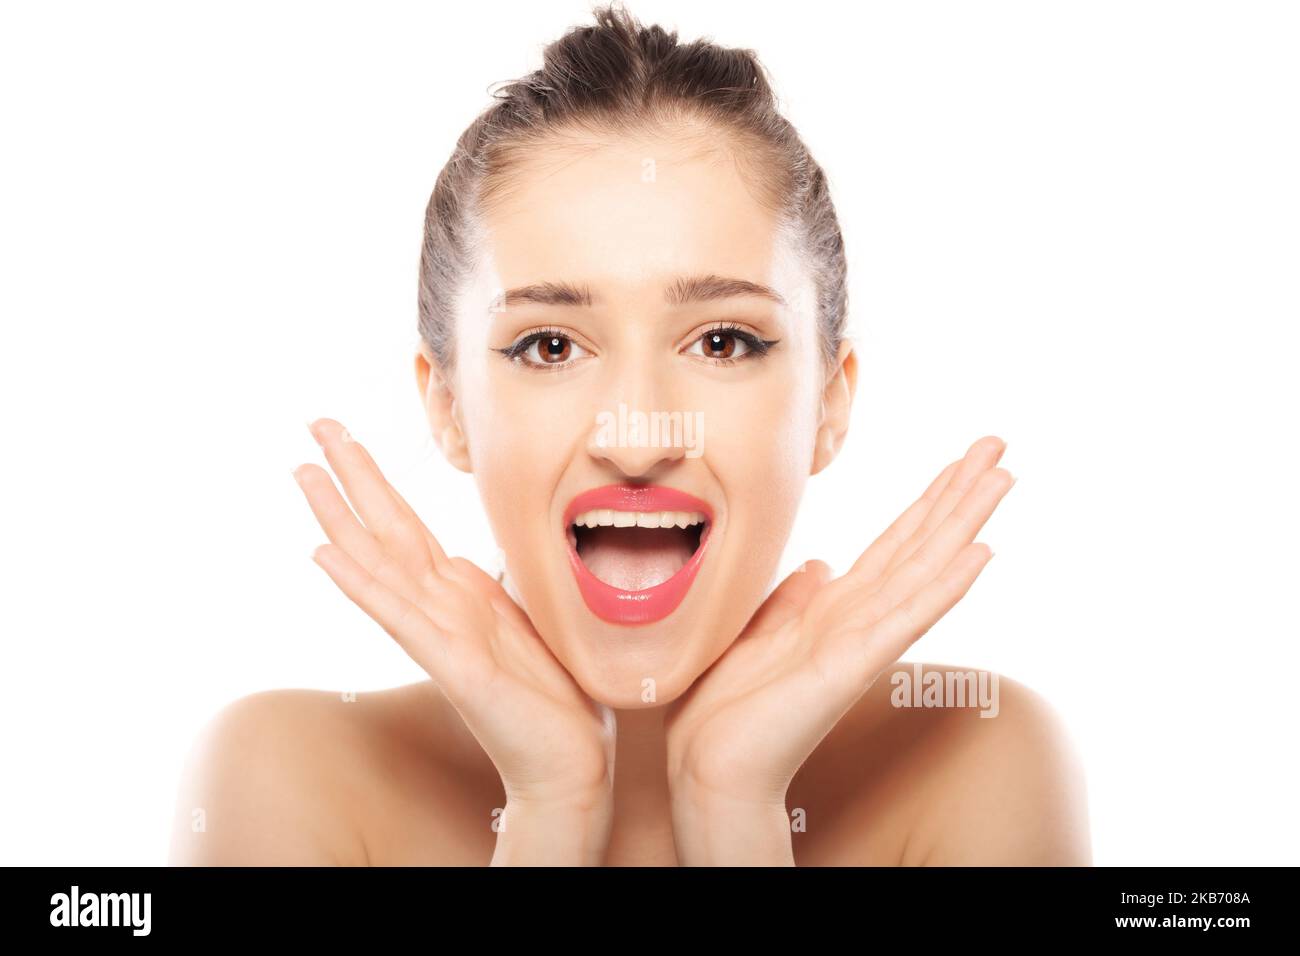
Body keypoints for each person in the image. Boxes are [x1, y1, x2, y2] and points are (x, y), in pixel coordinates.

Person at [169, 2, 1090, 866]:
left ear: (828, 404)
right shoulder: (286, 774)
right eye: (550, 344)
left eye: (723, 340)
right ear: (448, 407)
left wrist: (734, 814)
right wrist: (548, 810)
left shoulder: (976, 759)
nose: (639, 431)